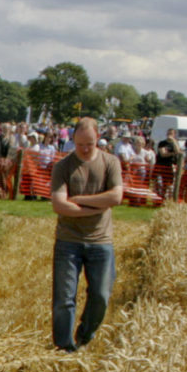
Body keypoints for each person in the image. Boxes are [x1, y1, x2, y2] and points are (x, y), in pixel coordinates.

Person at [48, 117, 122, 353]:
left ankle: (85, 334)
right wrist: (98, 207)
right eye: (80, 144)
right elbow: (59, 205)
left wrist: (79, 201)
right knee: (64, 298)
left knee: (101, 295)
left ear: (97, 138)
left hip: (101, 241)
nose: (85, 148)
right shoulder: (63, 166)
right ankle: (64, 346)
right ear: (73, 140)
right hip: (68, 241)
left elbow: (116, 197)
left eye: (90, 143)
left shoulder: (110, 162)